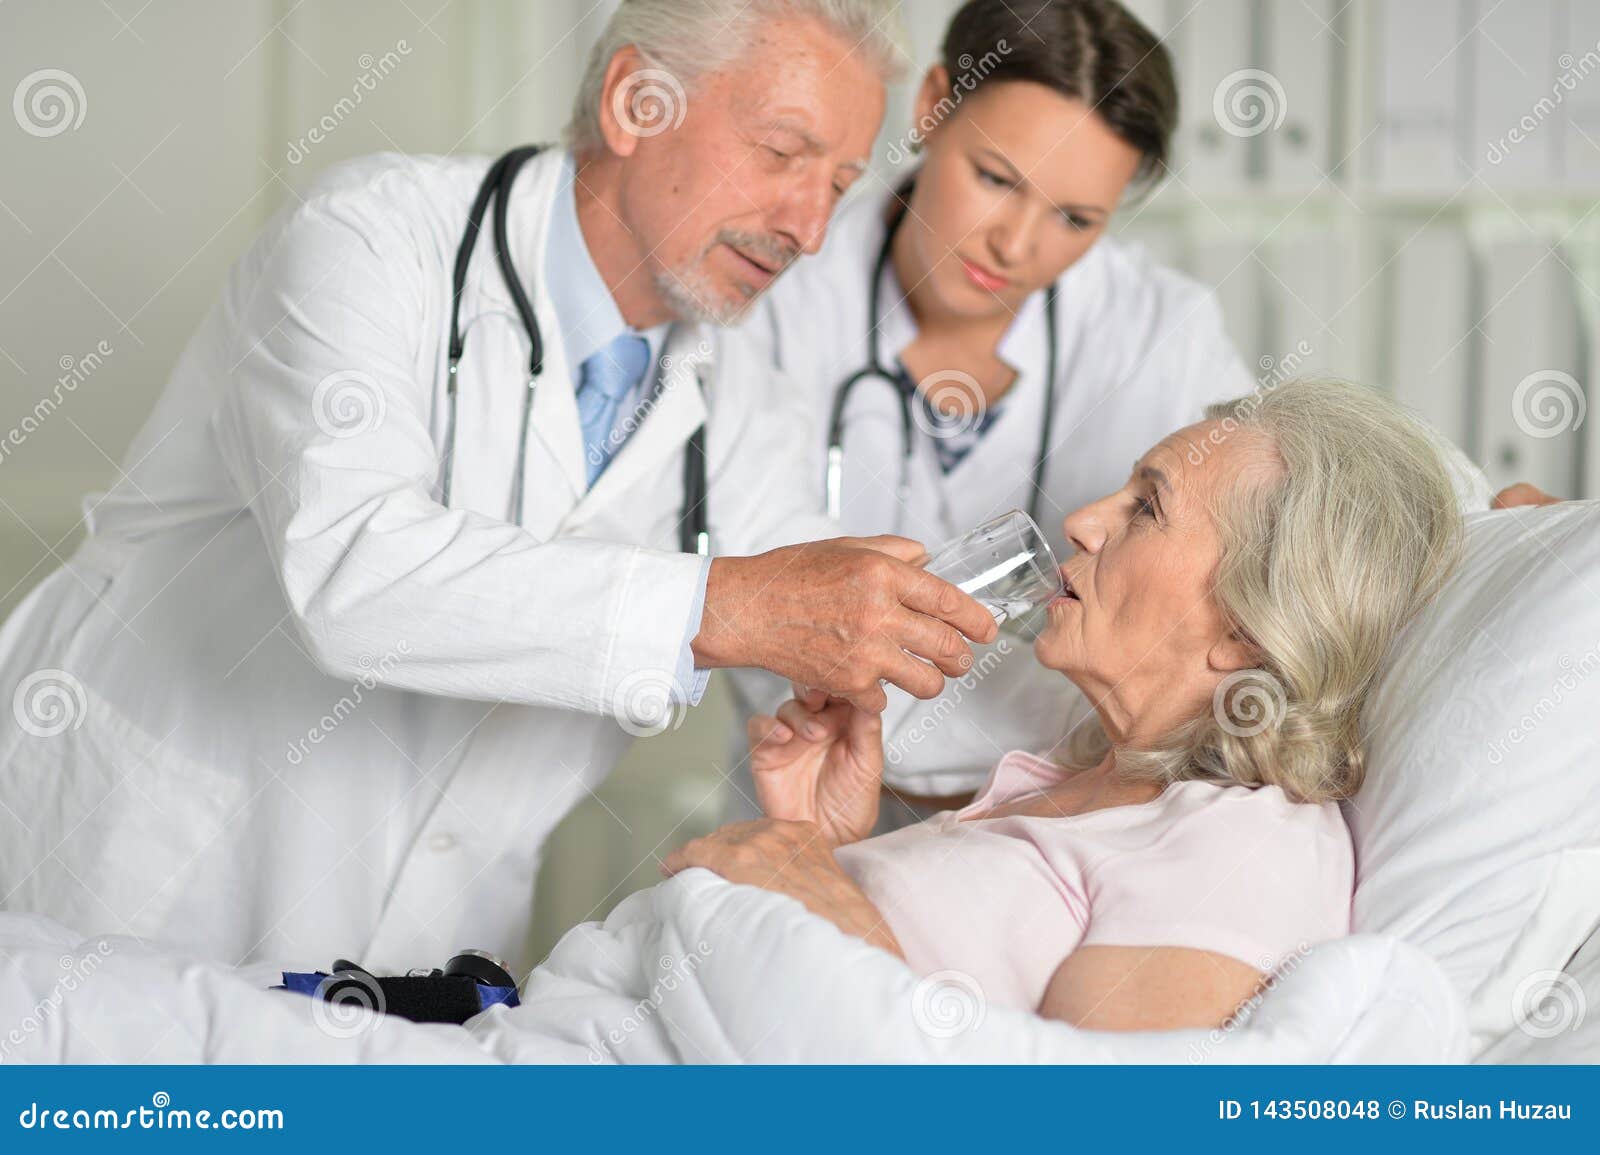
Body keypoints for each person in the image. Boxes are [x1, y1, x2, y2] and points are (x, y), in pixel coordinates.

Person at [0, 0, 1000, 974]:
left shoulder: (743, 406)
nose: (810, 227)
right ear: (632, 102)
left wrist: (1114, 737)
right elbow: (354, 574)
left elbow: (857, 646)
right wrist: (723, 606)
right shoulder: (373, 239)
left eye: (839, 183)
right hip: (149, 873)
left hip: (419, 960)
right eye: (783, 154)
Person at [668, 379, 1465, 1029]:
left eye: (1146, 509)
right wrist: (817, 839)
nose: (1080, 523)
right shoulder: (1064, 781)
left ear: (1248, 629)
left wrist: (819, 892)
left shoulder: (1249, 848)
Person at [726, 0, 1254, 820]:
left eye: (1074, 219)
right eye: (998, 179)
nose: (1016, 244)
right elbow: (759, 586)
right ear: (934, 102)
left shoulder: (1156, 328)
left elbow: (1292, 499)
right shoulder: (782, 291)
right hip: (804, 807)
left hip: (1049, 824)